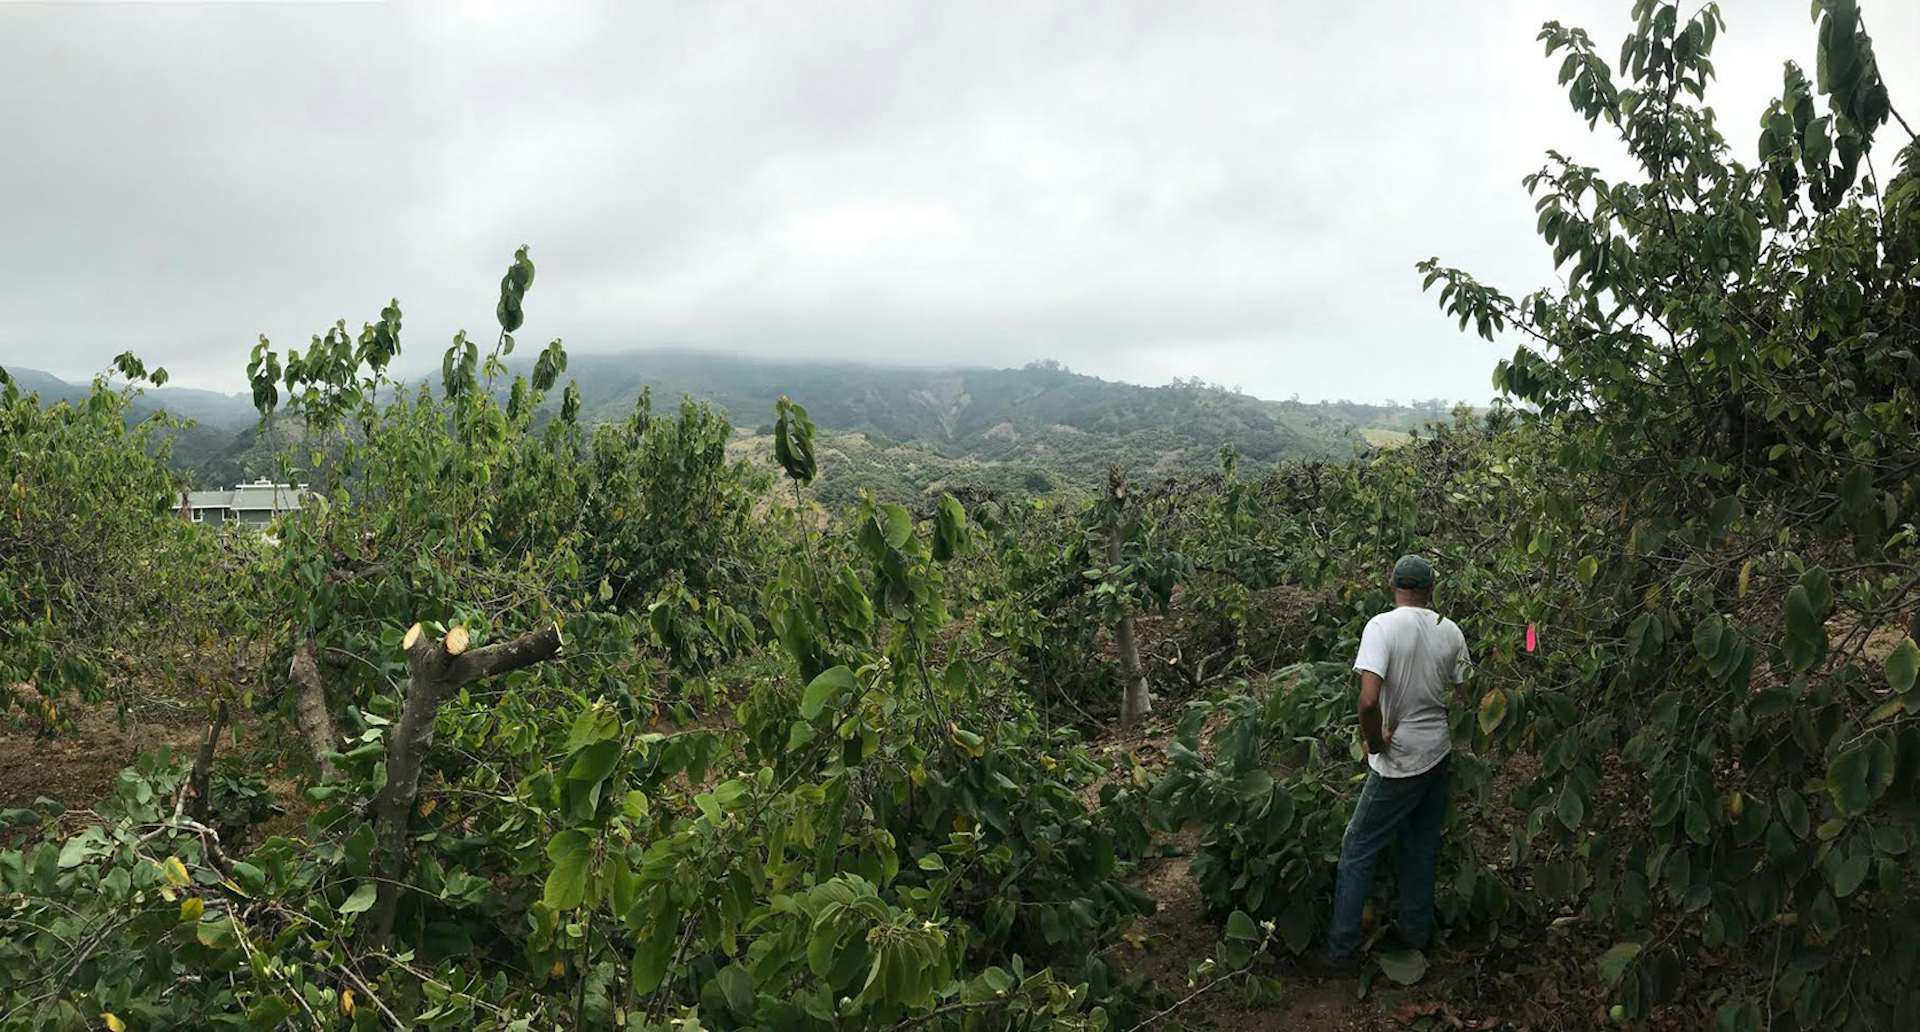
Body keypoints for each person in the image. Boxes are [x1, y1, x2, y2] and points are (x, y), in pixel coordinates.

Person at [1317, 553, 1470, 975]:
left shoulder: (1381, 627)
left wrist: (1375, 742)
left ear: (1392, 586)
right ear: (1431, 590)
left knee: (1358, 846)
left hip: (1399, 761)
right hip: (1437, 753)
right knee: (1421, 847)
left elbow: (1368, 700)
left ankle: (1341, 952)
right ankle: (1415, 937)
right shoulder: (1450, 630)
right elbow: (1465, 697)